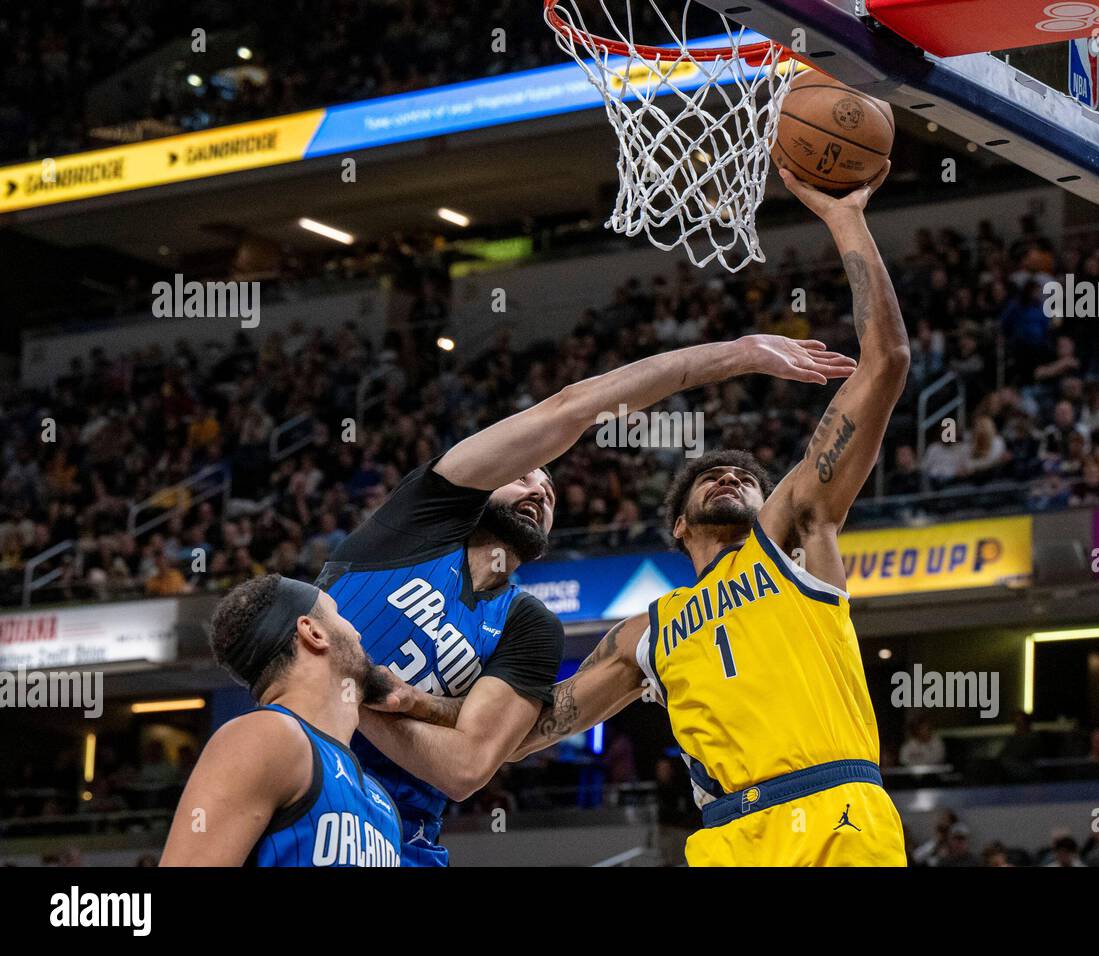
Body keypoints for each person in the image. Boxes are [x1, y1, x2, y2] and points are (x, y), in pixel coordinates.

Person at [373, 165, 909, 865]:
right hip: (724, 840)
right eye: (709, 475)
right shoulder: (642, 635)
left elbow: (887, 361)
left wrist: (845, 219)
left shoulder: (796, 540)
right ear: (679, 525)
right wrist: (408, 702)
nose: (728, 475)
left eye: (745, 477)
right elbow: (525, 731)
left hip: (837, 813)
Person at [350, 333, 855, 866]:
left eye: (548, 492)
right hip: (301, 760)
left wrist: (359, 690)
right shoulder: (415, 521)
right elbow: (574, 407)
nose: (539, 491)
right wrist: (737, 353)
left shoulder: (530, 624)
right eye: (522, 477)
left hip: (397, 835)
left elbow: (476, 760)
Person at [161, 576, 402, 866]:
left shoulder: (382, 802)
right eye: (338, 614)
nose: (358, 633)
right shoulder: (267, 735)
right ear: (313, 632)